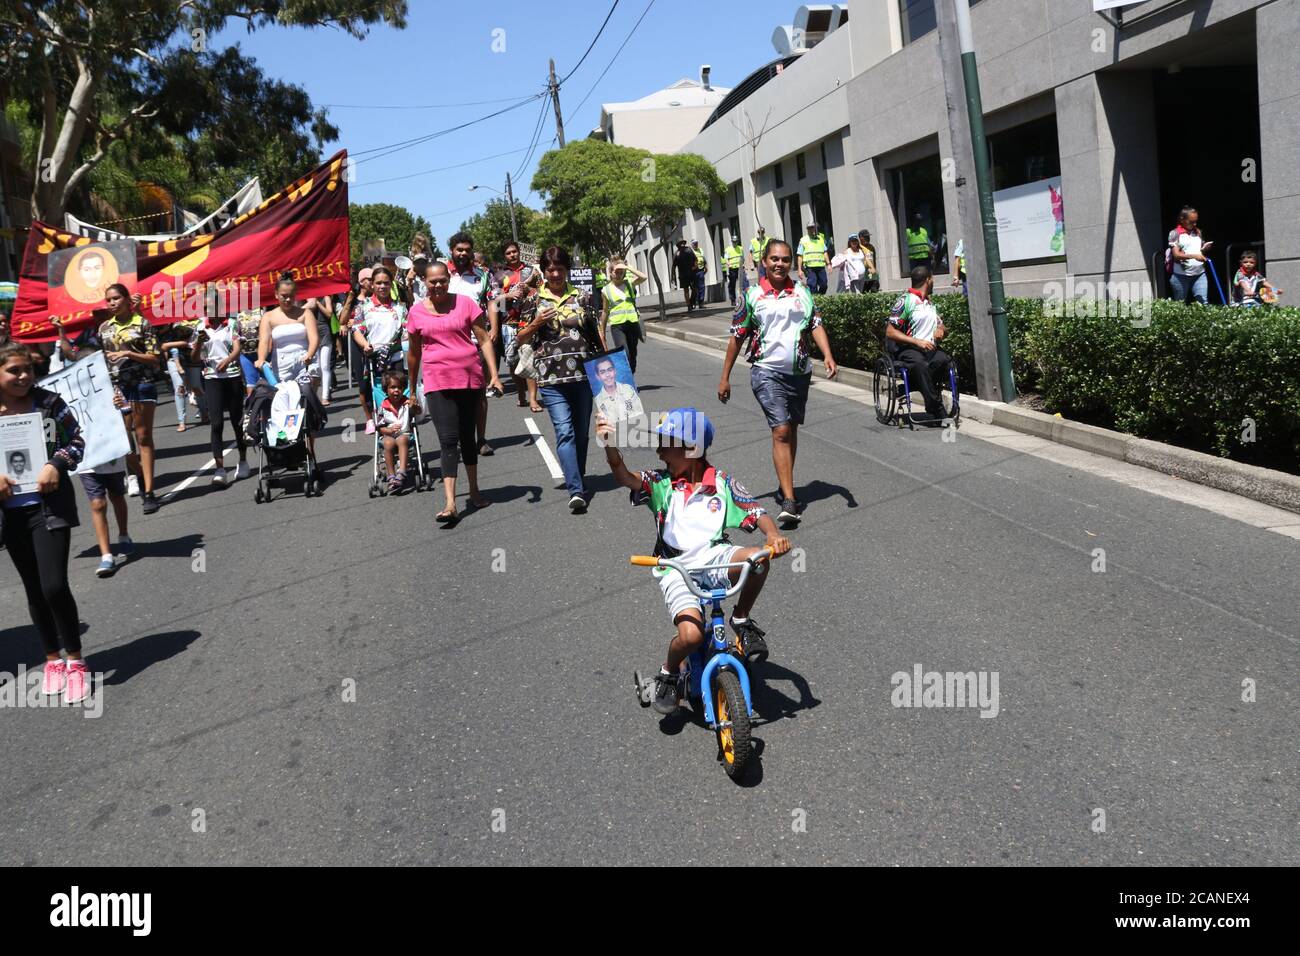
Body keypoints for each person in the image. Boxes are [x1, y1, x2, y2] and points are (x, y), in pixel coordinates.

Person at [597, 406, 792, 714]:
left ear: (691, 448)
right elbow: (624, 477)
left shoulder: (722, 483)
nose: (660, 452)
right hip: (675, 567)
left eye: (666, 444)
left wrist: (772, 536)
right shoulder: (660, 483)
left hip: (713, 557)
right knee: (691, 635)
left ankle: (741, 619)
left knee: (757, 558)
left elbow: (755, 511)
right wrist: (609, 445)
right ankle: (669, 673)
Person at [718, 239, 838, 528]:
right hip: (765, 372)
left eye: (785, 259)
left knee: (791, 429)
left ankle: (787, 484)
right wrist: (725, 377)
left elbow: (815, 324)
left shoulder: (803, 292)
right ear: (764, 261)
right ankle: (789, 500)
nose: (780, 264)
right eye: (774, 259)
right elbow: (737, 336)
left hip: (799, 373)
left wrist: (828, 354)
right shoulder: (752, 296)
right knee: (781, 429)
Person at [0, 341, 92, 702]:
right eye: (14, 370)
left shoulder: (49, 404)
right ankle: (52, 659)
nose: (24, 376)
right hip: (9, 516)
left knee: (54, 585)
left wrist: (57, 463)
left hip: (47, 508)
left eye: (28, 369)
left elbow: (77, 441)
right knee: (34, 589)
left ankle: (76, 661)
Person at [406, 260, 503, 523]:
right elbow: (414, 353)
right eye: (432, 281)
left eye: (442, 280)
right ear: (424, 282)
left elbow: (483, 339)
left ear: (448, 280)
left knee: (468, 438)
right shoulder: (416, 312)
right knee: (448, 441)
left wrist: (493, 374)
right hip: (438, 383)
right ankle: (450, 503)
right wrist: (412, 388)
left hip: (470, 379)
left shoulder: (466, 304)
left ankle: (473, 491)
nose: (437, 285)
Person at [516, 245, 604, 513]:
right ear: (543, 271)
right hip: (552, 380)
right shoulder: (533, 301)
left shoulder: (584, 297)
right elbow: (520, 337)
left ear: (567, 270)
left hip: (583, 375)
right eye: (550, 269)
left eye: (559, 269)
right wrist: (537, 323)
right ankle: (575, 490)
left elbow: (596, 333)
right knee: (564, 432)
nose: (554, 274)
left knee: (581, 434)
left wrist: (607, 364)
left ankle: (577, 475)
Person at [98, 283, 163, 514]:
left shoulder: (142, 324)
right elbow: (99, 361)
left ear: (127, 299)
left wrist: (128, 353)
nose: (112, 303)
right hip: (117, 389)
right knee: (124, 442)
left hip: (142, 385)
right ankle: (138, 475)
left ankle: (149, 491)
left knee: (143, 436)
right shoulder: (104, 328)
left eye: (116, 298)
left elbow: (155, 358)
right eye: (109, 300)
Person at [258, 274, 322, 458]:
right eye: (284, 295)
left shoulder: (305, 313)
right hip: (281, 367)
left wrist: (309, 355)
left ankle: (310, 450)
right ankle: (286, 447)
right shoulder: (269, 317)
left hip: (304, 364)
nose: (287, 299)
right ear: (276, 294)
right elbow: (264, 341)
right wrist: (261, 359)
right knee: (283, 408)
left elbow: (314, 338)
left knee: (305, 408)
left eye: (291, 296)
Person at [444, 232, 496, 458]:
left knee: (479, 393)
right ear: (452, 251)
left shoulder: (483, 275)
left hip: (477, 341)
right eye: (459, 249)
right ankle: (456, 439)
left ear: (472, 252)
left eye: (467, 249)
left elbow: (492, 301)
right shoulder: (441, 274)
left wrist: (493, 328)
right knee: (452, 395)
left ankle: (481, 439)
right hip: (448, 344)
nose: (463, 253)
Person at [190, 292, 250, 485]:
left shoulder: (231, 323)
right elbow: (194, 358)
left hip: (231, 376)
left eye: (212, 307)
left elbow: (237, 348)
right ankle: (220, 469)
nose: (209, 311)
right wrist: (198, 343)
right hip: (211, 377)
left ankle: (242, 460)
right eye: (206, 308)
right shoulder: (200, 327)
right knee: (216, 423)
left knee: (236, 421)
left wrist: (228, 360)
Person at [885, 265, 953, 422]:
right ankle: (936, 408)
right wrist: (917, 341)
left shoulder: (929, 302)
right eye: (933, 279)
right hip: (909, 349)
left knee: (945, 361)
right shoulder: (905, 301)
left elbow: (940, 324)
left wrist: (941, 329)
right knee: (920, 364)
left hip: (930, 349)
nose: (933, 282)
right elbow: (890, 332)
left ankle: (915, 385)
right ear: (928, 280)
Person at [349, 267, 405, 436]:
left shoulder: (400, 308)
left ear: (391, 285)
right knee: (380, 398)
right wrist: (365, 345)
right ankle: (384, 434)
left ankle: (403, 432)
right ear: (372, 285)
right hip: (374, 359)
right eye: (378, 283)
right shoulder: (363, 308)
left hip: (396, 357)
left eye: (386, 283)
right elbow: (357, 330)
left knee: (399, 397)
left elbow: (407, 331)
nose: (382, 286)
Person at [491, 240, 543, 411]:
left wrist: (531, 291)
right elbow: (493, 302)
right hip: (508, 323)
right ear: (504, 256)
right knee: (513, 362)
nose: (512, 255)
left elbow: (543, 292)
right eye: (508, 253)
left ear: (519, 252)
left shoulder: (531, 271)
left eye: (514, 251)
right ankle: (521, 393)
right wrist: (509, 295)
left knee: (529, 358)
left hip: (529, 322)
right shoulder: (499, 275)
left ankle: (533, 399)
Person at [341, 267, 376, 430]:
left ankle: (382, 414)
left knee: (379, 380)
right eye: (369, 279)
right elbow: (343, 320)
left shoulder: (378, 299)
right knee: (363, 384)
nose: (372, 282)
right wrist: (349, 299)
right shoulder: (353, 300)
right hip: (357, 344)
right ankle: (369, 418)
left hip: (376, 342)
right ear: (362, 282)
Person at [599, 257, 647, 373]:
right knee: (623, 352)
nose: (619, 274)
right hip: (617, 326)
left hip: (632, 323)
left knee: (632, 354)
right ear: (611, 272)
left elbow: (644, 277)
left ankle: (631, 376)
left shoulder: (629, 283)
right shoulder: (606, 290)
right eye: (617, 272)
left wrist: (628, 268)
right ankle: (625, 379)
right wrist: (602, 331)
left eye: (622, 272)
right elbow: (605, 311)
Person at [377, 369, 412, 493]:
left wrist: (414, 405)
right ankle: (391, 475)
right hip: (389, 435)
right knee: (388, 443)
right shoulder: (383, 407)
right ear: (386, 389)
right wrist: (389, 430)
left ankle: (402, 471)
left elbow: (419, 414)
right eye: (392, 387)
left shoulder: (407, 404)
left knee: (402, 439)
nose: (396, 390)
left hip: (404, 433)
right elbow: (380, 427)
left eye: (400, 388)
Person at [1168, 206, 1211, 304]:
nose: (1194, 224)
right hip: (1181, 276)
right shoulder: (1175, 233)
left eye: (1196, 221)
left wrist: (1204, 249)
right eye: (1191, 222)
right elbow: (1176, 255)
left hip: (1200, 274)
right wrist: (1195, 256)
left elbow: (1199, 250)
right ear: (1182, 220)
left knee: (1203, 303)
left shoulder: (1198, 232)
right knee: (1180, 304)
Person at [592, 354, 641, 424]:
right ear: (598, 376)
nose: (607, 375)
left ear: (615, 371)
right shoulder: (599, 399)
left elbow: (638, 413)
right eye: (602, 372)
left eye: (610, 370)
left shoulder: (628, 389)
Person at [797, 222, 829, 294]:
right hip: (809, 267)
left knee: (824, 285)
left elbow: (825, 252)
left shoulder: (820, 239)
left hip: (820, 266)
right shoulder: (803, 240)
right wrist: (799, 269)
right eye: (809, 228)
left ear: (815, 228)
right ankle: (814, 299)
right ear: (807, 229)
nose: (811, 229)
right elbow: (800, 256)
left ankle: (819, 298)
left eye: (813, 227)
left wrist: (829, 264)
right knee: (812, 285)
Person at [721, 235, 745, 307]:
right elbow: (726, 259)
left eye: (736, 241)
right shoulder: (728, 249)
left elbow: (742, 257)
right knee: (732, 284)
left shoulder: (740, 248)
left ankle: (743, 298)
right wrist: (728, 264)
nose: (735, 243)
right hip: (732, 268)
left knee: (742, 283)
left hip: (739, 268)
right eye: (734, 241)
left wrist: (743, 265)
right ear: (732, 241)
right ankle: (733, 299)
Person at [674, 240, 697, 312]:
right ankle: (688, 305)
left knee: (694, 289)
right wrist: (672, 275)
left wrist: (695, 266)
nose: (682, 244)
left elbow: (695, 259)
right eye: (681, 243)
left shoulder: (689, 250)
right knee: (686, 290)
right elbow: (673, 265)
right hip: (683, 275)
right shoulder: (677, 253)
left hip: (691, 273)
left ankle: (691, 301)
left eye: (683, 243)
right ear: (678, 245)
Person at [691, 240, 708, 307]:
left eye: (696, 244)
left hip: (701, 270)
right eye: (694, 244)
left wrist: (706, 267)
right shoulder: (690, 251)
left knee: (702, 287)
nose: (696, 245)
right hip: (694, 272)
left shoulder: (700, 250)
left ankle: (701, 302)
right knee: (694, 288)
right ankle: (693, 302)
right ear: (692, 245)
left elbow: (703, 259)